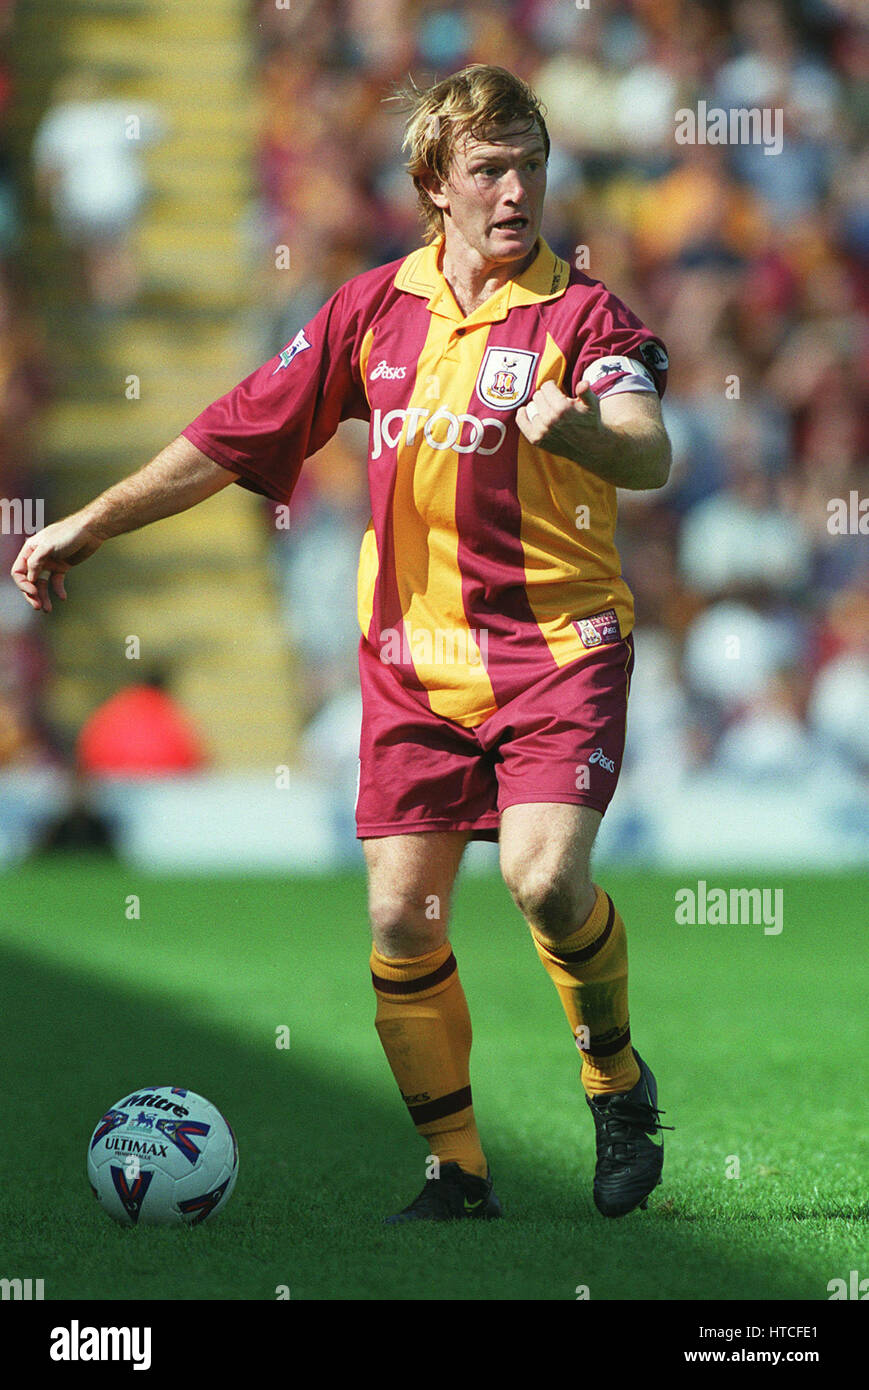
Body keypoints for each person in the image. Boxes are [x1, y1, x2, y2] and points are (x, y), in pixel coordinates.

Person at [12, 65, 673, 1223]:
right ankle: (458, 1173)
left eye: (530, 166)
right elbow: (230, 434)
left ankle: (615, 1081)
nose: (515, 191)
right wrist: (89, 521)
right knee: (395, 920)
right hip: (411, 666)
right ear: (435, 184)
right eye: (489, 170)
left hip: (556, 651)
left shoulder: (583, 315)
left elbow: (645, 443)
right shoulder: (373, 310)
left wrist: (587, 434)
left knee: (541, 875)